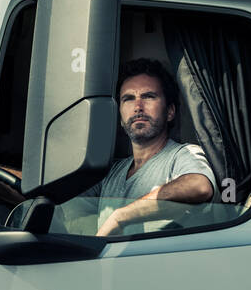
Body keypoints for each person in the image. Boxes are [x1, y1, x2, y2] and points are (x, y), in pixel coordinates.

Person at [84, 58, 214, 237]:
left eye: (148, 96)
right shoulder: (111, 171)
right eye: (128, 99)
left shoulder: (181, 155)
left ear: (170, 112)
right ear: (121, 118)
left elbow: (199, 186)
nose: (138, 107)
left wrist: (121, 216)